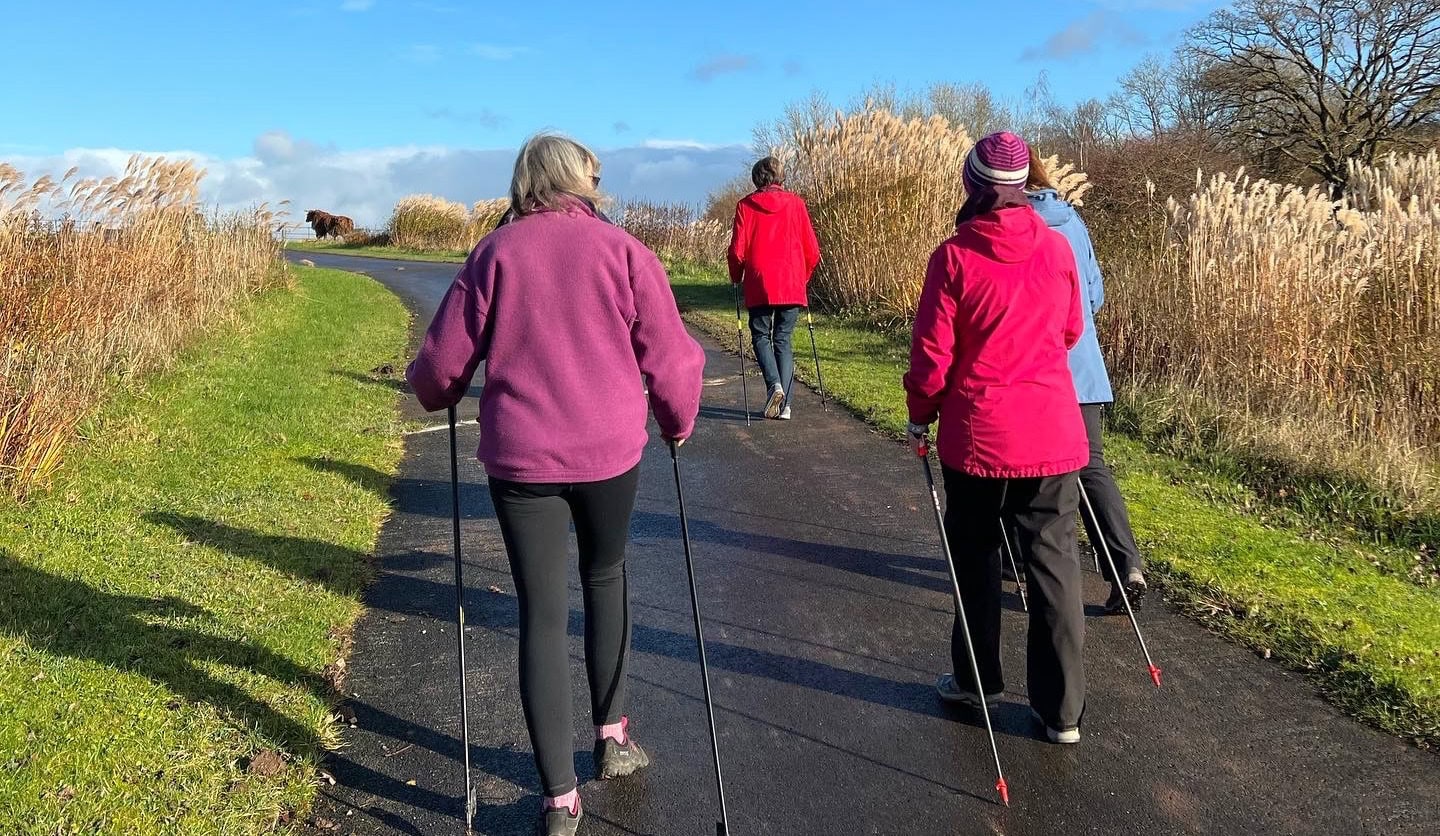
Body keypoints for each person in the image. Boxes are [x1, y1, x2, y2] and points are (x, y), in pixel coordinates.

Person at [406, 133, 705, 836]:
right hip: (609, 452)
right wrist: (677, 420)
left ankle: (560, 800)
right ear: (581, 181)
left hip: (522, 462)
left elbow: (439, 372)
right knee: (606, 577)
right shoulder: (623, 250)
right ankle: (612, 738)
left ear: (524, 182)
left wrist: (435, 390)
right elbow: (669, 353)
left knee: (541, 612)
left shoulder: (495, 253)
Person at [903, 132, 1090, 744]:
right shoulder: (1059, 248)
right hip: (1052, 430)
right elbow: (1069, 330)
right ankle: (1061, 712)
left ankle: (977, 680)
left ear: (972, 185)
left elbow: (932, 356)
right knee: (1053, 566)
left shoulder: (953, 256)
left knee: (977, 561)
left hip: (979, 437)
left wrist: (920, 413)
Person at [1025, 149, 1148, 613]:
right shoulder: (1073, 222)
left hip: (1039, 372)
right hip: (1084, 367)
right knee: (1091, 465)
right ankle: (1126, 564)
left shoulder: (1017, 227)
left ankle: (1025, 561)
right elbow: (1093, 294)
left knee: (1035, 469)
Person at [727, 156, 821, 420]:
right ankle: (786, 406)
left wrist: (736, 277)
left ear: (757, 178)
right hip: (790, 281)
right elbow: (812, 251)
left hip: (759, 282)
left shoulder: (745, 206)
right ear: (781, 177)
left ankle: (774, 386)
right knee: (783, 339)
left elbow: (737, 251)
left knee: (760, 336)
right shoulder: (797, 204)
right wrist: (802, 277)